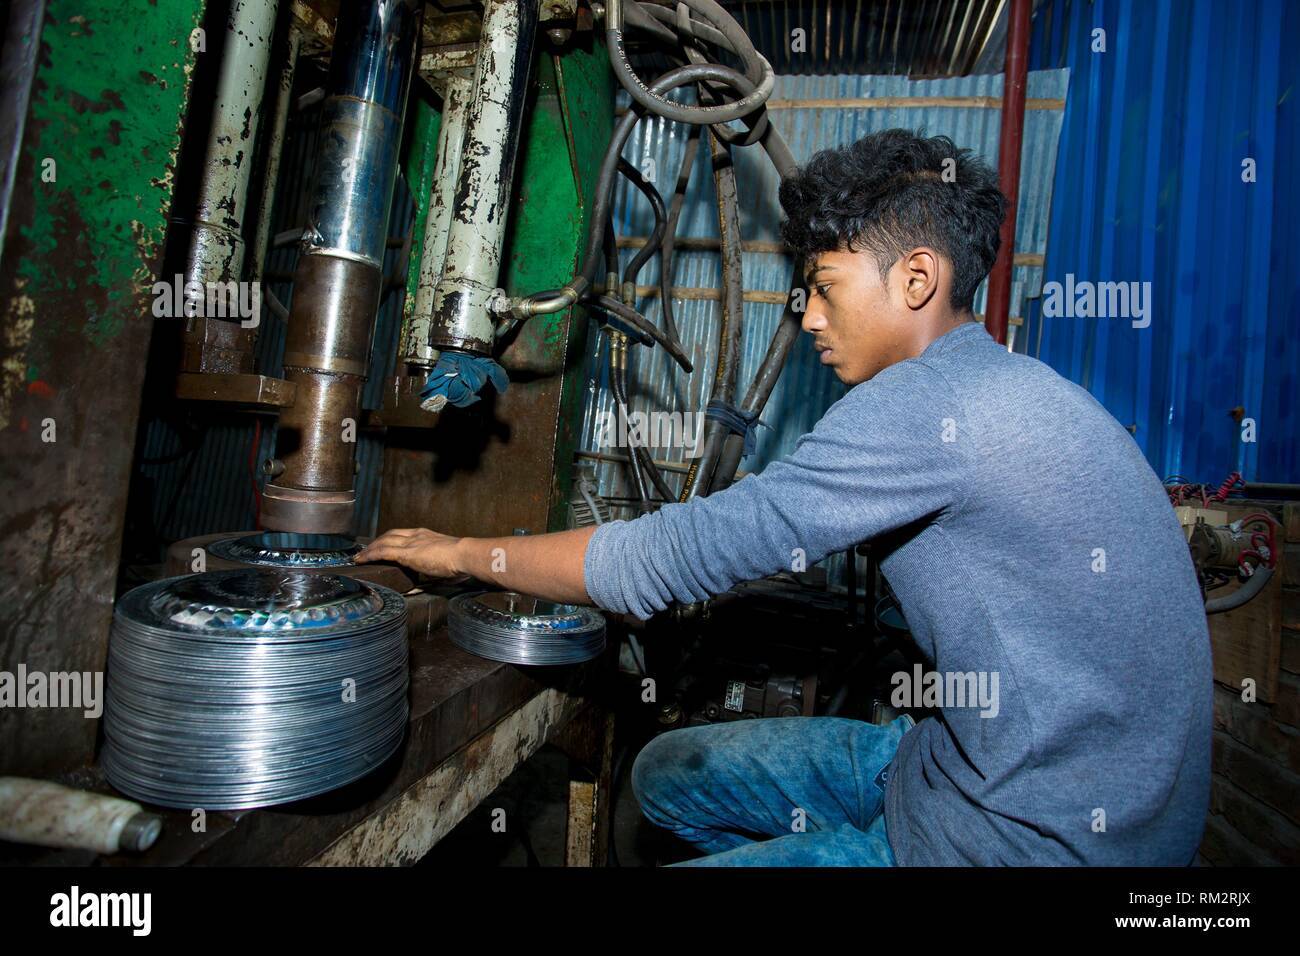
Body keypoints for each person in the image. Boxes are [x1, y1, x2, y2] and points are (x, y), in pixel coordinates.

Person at [357, 129, 1211, 866]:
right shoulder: (1005, 383)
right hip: (959, 769)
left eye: (826, 288)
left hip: (1029, 842)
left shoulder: (930, 408)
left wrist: (466, 554)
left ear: (916, 279)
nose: (806, 318)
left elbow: (669, 560)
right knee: (663, 778)